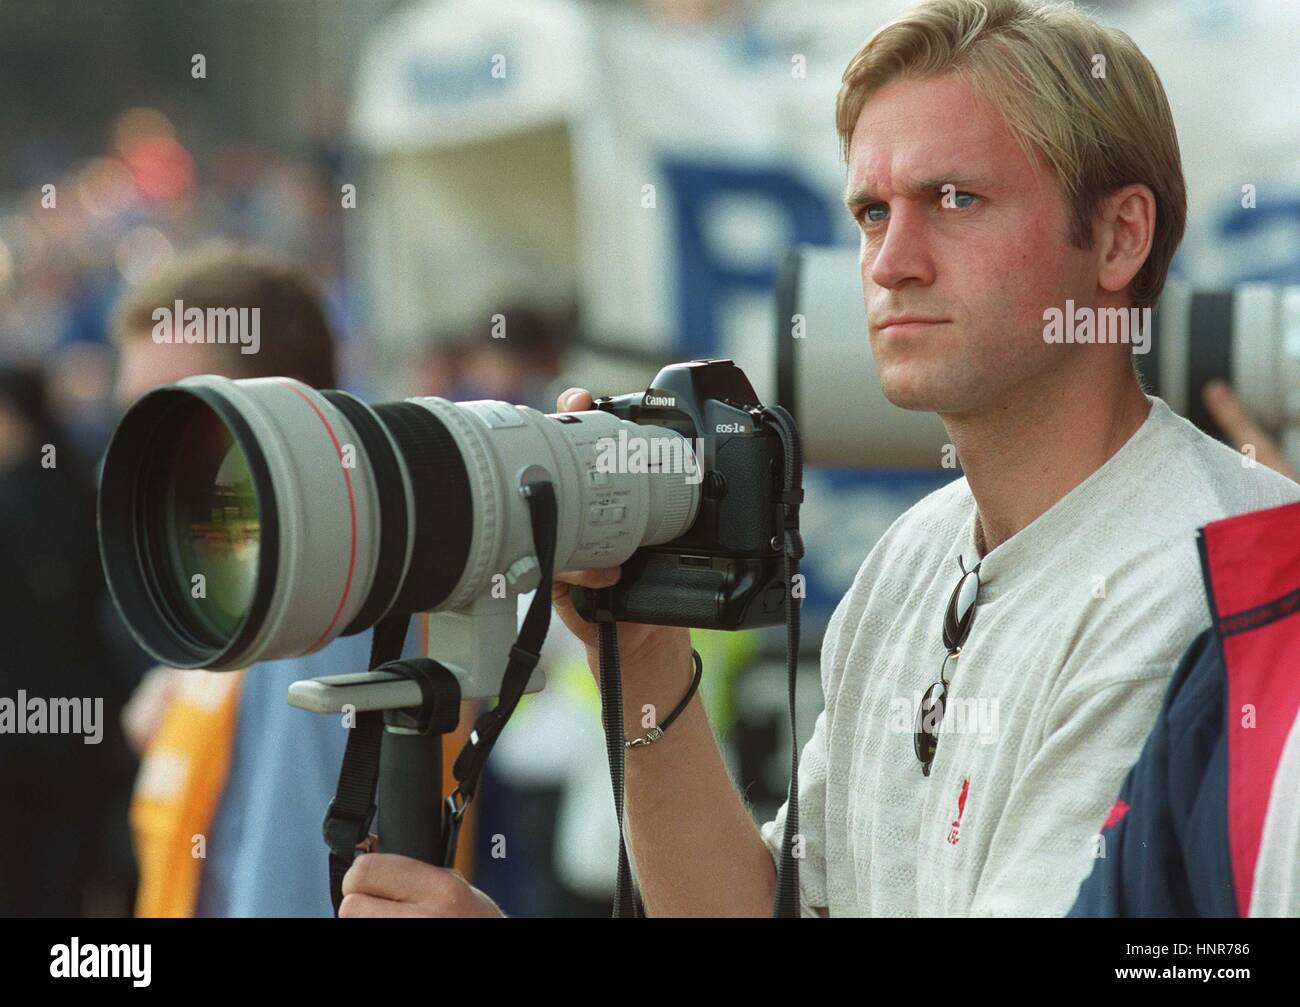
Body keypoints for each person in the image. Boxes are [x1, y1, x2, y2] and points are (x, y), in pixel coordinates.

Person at [338, 0, 1300, 917]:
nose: (890, 262)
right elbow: (762, 908)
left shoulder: (1208, 573)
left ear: (1121, 236)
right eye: (873, 213)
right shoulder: (917, 552)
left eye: (955, 199)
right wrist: (638, 652)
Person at [111, 242, 462, 917]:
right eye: (132, 417)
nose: (142, 454)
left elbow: (294, 887)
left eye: (174, 418)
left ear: (286, 421)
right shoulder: (241, 593)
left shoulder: (327, 610)